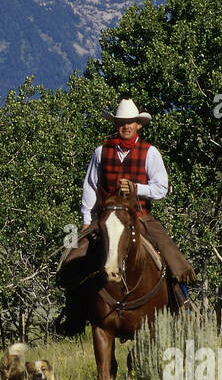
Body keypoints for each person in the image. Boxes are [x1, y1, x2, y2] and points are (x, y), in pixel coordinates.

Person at [60, 99, 195, 306]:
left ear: (138, 124)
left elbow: (161, 188)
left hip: (140, 216)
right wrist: (86, 220)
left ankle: (182, 303)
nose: (126, 126)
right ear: (116, 124)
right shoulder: (101, 151)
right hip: (106, 217)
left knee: (172, 257)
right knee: (73, 257)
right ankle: (73, 311)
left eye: (130, 122)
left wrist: (136, 188)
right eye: (121, 122)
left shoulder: (150, 152)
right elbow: (90, 187)